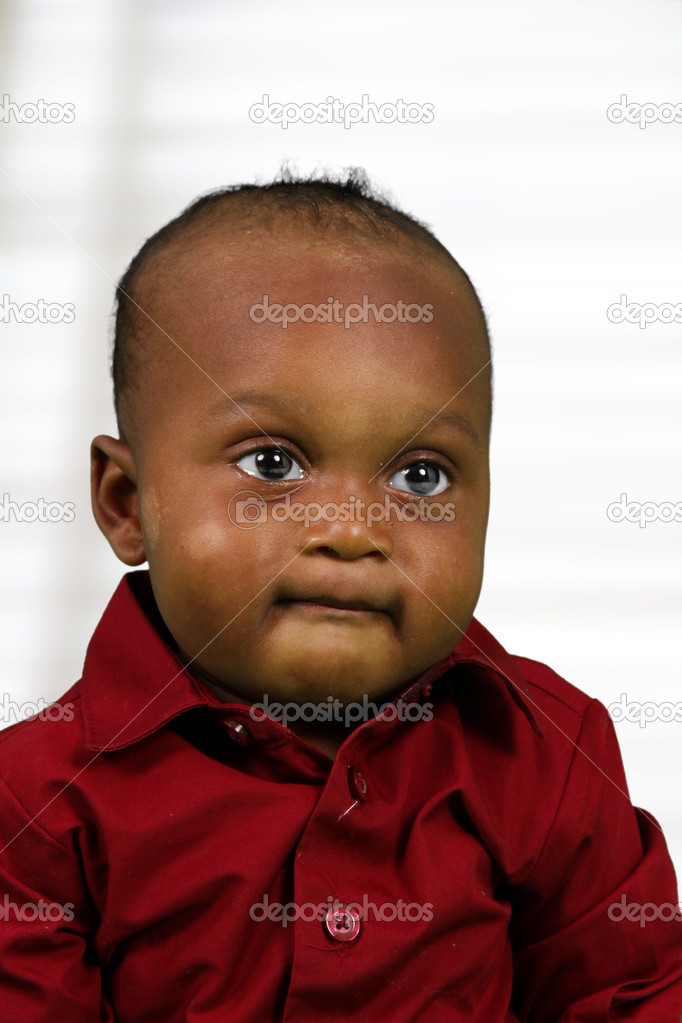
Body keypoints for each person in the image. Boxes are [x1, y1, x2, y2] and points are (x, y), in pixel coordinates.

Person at [1, 170, 680, 1021]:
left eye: (421, 475)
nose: (354, 529)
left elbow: (631, 994)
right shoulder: (33, 806)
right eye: (272, 464)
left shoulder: (545, 753)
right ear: (128, 505)